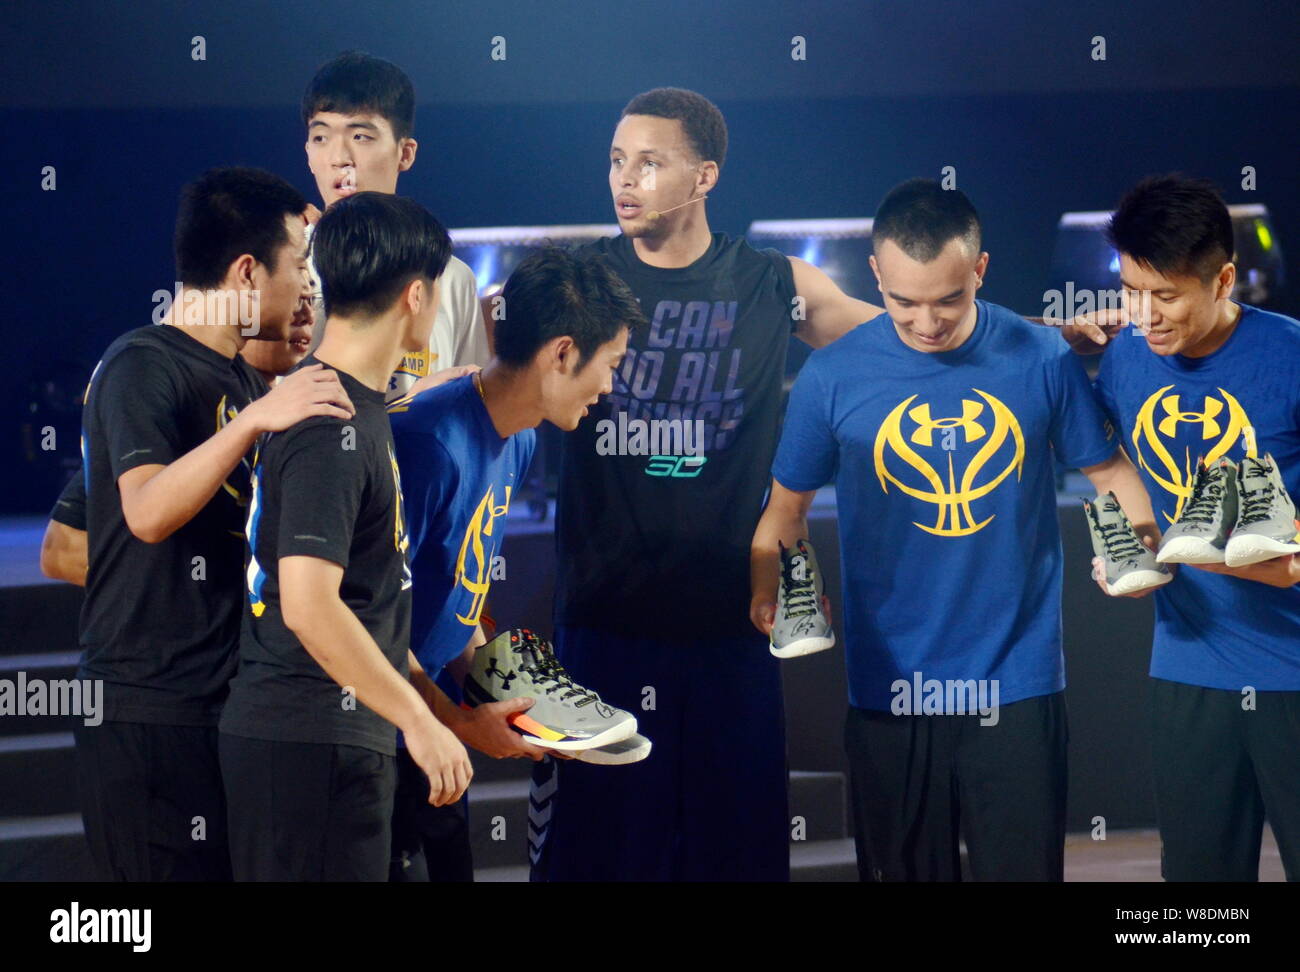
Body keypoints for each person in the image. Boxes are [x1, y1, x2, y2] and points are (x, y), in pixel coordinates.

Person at [752, 178, 1158, 881]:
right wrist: (772, 588)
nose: (926, 323)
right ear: (875, 275)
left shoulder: (1041, 356)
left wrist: (1141, 543)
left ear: (980, 270)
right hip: (889, 690)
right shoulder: (831, 375)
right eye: (903, 301)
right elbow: (783, 514)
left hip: (1017, 684)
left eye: (948, 300)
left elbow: (1111, 476)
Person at [531, 86, 889, 883]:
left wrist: (1039, 336)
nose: (626, 180)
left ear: (705, 176)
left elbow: (908, 335)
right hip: (604, 630)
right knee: (600, 863)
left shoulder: (770, 283)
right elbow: (483, 384)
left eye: (650, 163)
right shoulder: (574, 283)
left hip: (733, 631)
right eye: (618, 161)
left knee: (738, 861)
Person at [74, 166, 352, 881]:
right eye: (298, 267)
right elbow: (147, 511)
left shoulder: (236, 378)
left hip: (221, 706)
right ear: (247, 271)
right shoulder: (141, 363)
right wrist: (257, 418)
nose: (304, 292)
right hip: (147, 711)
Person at [218, 191, 474, 881]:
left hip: (328, 742)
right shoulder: (330, 417)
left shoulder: (353, 401)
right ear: (417, 295)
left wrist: (437, 713)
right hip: (304, 744)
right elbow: (308, 604)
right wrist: (418, 723)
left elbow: (369, 600)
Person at [388, 246, 644, 880]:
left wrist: (508, 697)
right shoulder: (425, 444)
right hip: (375, 728)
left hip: (430, 723)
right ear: (560, 353)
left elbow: (457, 590)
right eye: (609, 364)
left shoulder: (522, 436)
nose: (610, 386)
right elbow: (364, 616)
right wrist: (454, 721)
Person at [1091, 174, 1300, 880]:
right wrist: (1130, 549)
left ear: (1225, 280)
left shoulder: (1292, 358)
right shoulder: (1125, 358)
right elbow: (1123, 483)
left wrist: (1249, 560)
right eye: (1129, 290)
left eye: (1167, 295)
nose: (1143, 314)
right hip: (1187, 669)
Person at [41, 289, 319, 585]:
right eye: (291, 298)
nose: (304, 316)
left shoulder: (297, 410)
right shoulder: (164, 394)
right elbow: (61, 550)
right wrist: (186, 600)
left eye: (311, 301)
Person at [301, 50, 489, 393]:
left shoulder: (451, 279)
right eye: (321, 137)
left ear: (405, 153)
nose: (339, 159)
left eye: (360, 136)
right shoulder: (278, 264)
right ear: (309, 155)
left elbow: (468, 409)